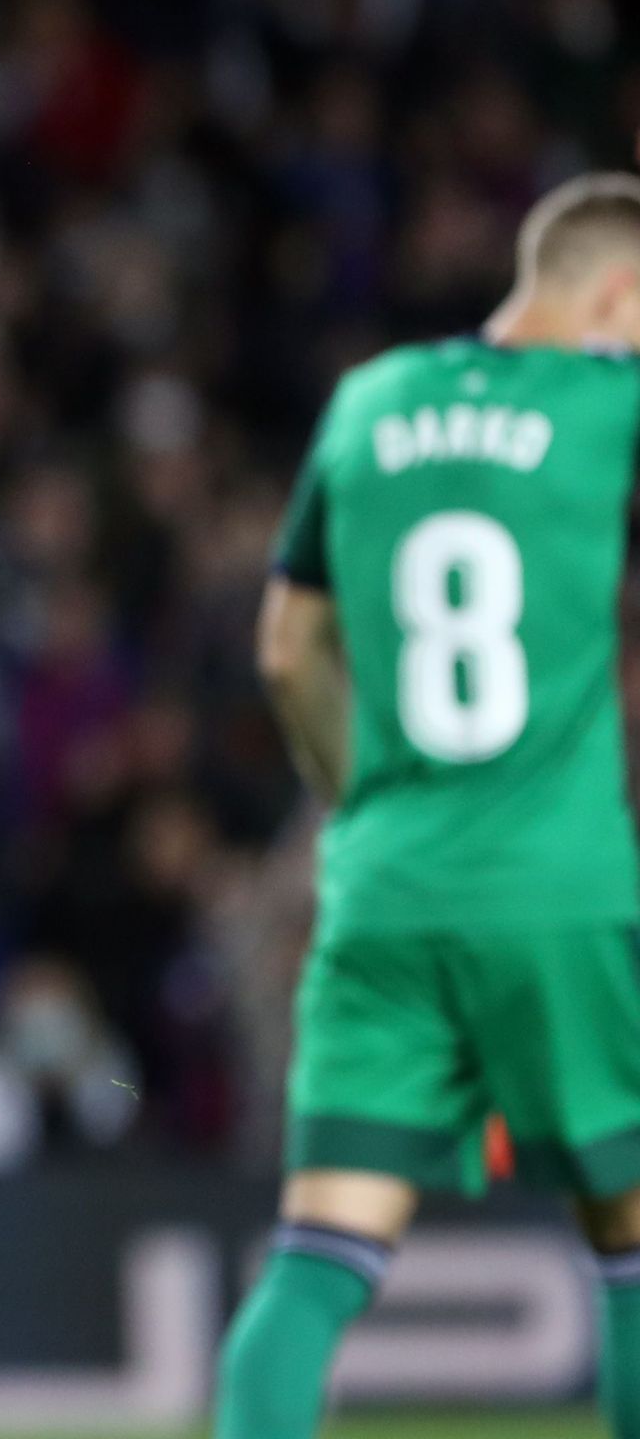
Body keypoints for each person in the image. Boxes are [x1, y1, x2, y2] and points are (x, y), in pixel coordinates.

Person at [223, 172, 640, 1439]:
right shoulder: (610, 400)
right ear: (617, 294)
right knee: (629, 1247)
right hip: (554, 890)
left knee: (311, 1261)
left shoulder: (366, 401)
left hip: (382, 889)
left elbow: (287, 649)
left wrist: (355, 800)